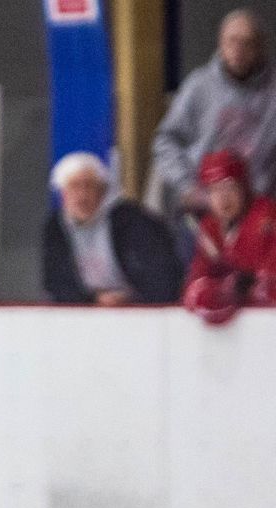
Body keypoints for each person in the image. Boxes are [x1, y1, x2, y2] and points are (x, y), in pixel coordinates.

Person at [153, 9, 276, 216]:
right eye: (232, 41)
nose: (238, 50)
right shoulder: (199, 86)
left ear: (260, 47)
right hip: (203, 207)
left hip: (260, 210)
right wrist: (187, 187)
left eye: (247, 43)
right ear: (221, 43)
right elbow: (165, 141)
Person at [42, 152, 182, 305]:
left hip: (141, 309)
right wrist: (94, 299)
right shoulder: (55, 228)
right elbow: (55, 281)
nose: (82, 195)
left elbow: (162, 275)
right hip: (85, 311)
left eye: (89, 185)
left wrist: (129, 297)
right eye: (74, 186)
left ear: (102, 191)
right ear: (63, 193)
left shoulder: (132, 221)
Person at [182, 149, 276, 324]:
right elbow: (193, 290)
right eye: (214, 190)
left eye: (230, 187)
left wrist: (238, 288)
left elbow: (268, 288)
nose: (223, 198)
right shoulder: (209, 227)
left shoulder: (266, 216)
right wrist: (226, 289)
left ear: (244, 187)